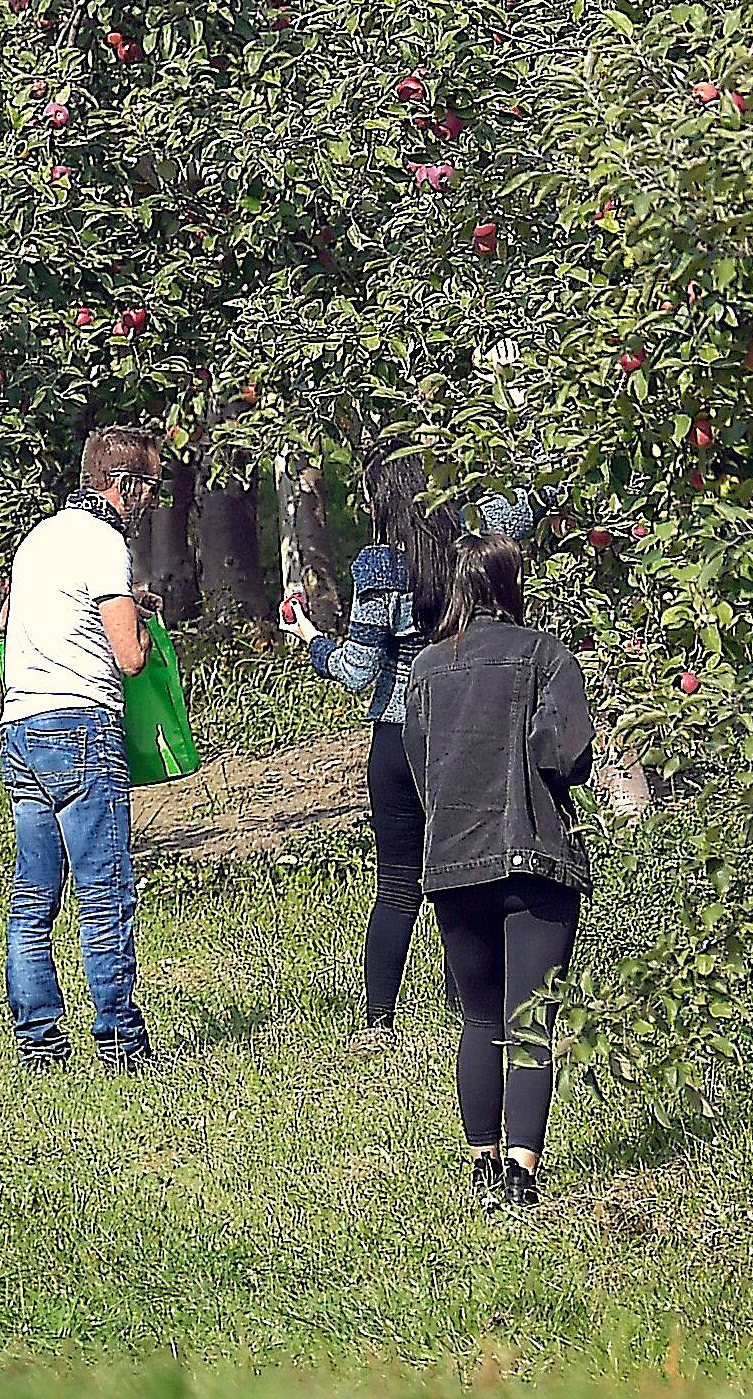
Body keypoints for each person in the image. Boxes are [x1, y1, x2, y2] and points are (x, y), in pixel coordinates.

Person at [403, 534, 594, 1213]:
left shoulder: (424, 669)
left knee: (479, 1017)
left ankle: (480, 1162)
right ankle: (521, 1168)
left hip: (452, 861)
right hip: (535, 853)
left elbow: (420, 765)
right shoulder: (546, 653)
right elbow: (565, 753)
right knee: (529, 1019)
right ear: (515, 583)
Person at [0, 424, 165, 1070]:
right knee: (104, 893)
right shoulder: (104, 541)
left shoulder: (40, 537)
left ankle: (39, 1044)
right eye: (149, 486)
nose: (151, 500)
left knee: (33, 898)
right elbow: (127, 656)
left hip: (21, 726)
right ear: (124, 485)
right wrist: (145, 625)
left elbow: (11, 622)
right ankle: (122, 1044)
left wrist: (123, 602)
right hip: (81, 727)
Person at [283, 514, 452, 1043]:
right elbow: (523, 507)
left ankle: (379, 1023)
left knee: (398, 885)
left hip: (400, 734)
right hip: (463, 730)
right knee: (463, 877)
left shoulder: (384, 566)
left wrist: (309, 635)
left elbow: (359, 671)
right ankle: (468, 1009)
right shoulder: (469, 546)